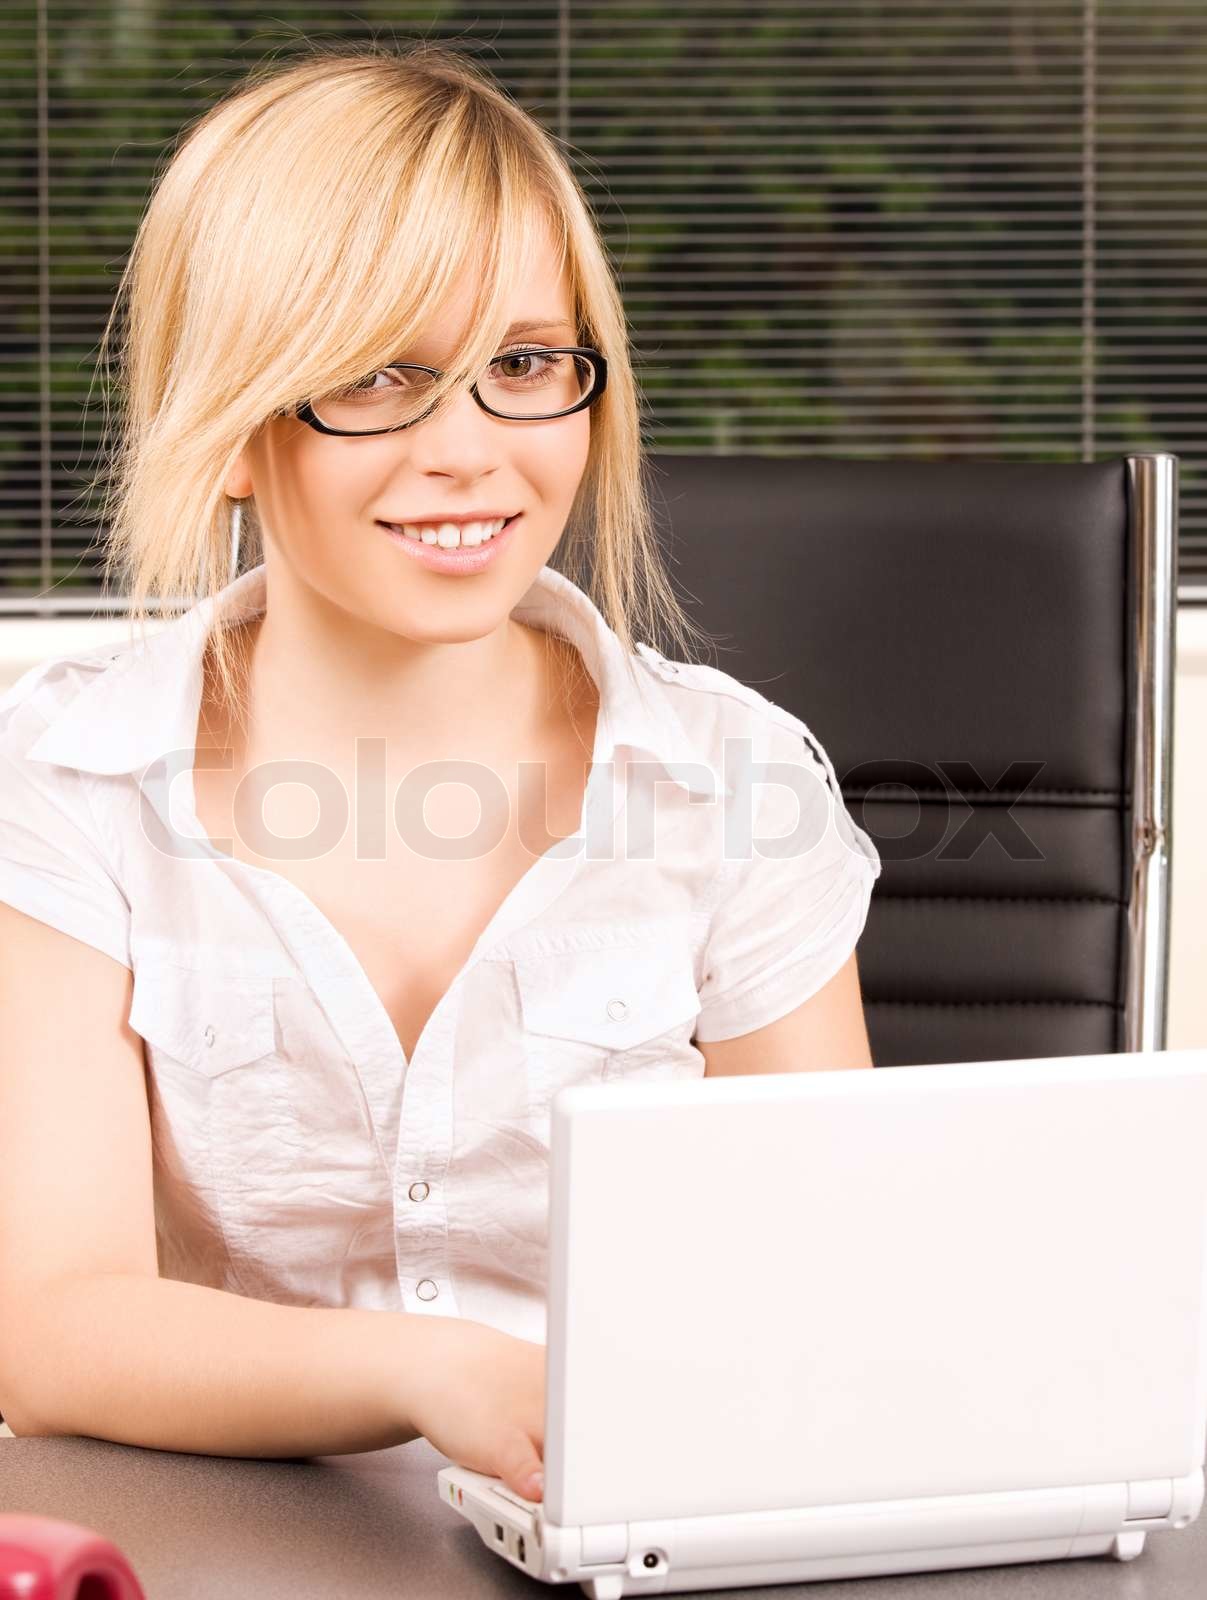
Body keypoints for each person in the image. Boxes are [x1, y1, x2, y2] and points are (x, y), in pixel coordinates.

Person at [0, 42, 881, 1502]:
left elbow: (836, 1282)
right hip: (229, 1545)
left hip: (630, 1532)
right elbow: (49, 1329)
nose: (469, 452)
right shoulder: (68, 778)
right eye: (377, 378)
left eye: (522, 367)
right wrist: (429, 1374)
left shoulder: (733, 781)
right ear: (231, 429)